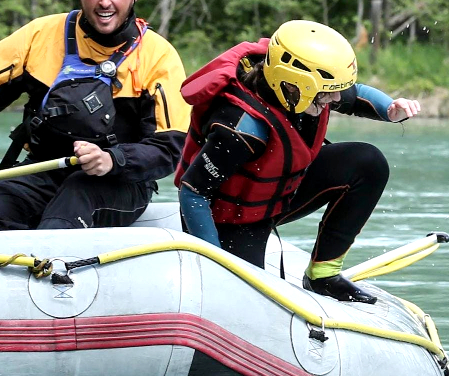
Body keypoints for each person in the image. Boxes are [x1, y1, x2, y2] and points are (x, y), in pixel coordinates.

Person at [0, 0, 189, 231]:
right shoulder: (39, 35)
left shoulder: (159, 56)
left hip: (119, 181)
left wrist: (113, 159)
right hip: (43, 168)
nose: (104, 2)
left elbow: (169, 148)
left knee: (71, 203)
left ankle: (54, 266)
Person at [174, 20, 421, 303]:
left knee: (368, 162)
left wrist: (390, 110)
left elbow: (356, 95)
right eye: (329, 92)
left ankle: (323, 276)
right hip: (232, 219)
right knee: (244, 300)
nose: (337, 98)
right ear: (295, 84)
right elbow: (193, 191)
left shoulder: (300, 88)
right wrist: (214, 263)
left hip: (280, 193)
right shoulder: (241, 128)